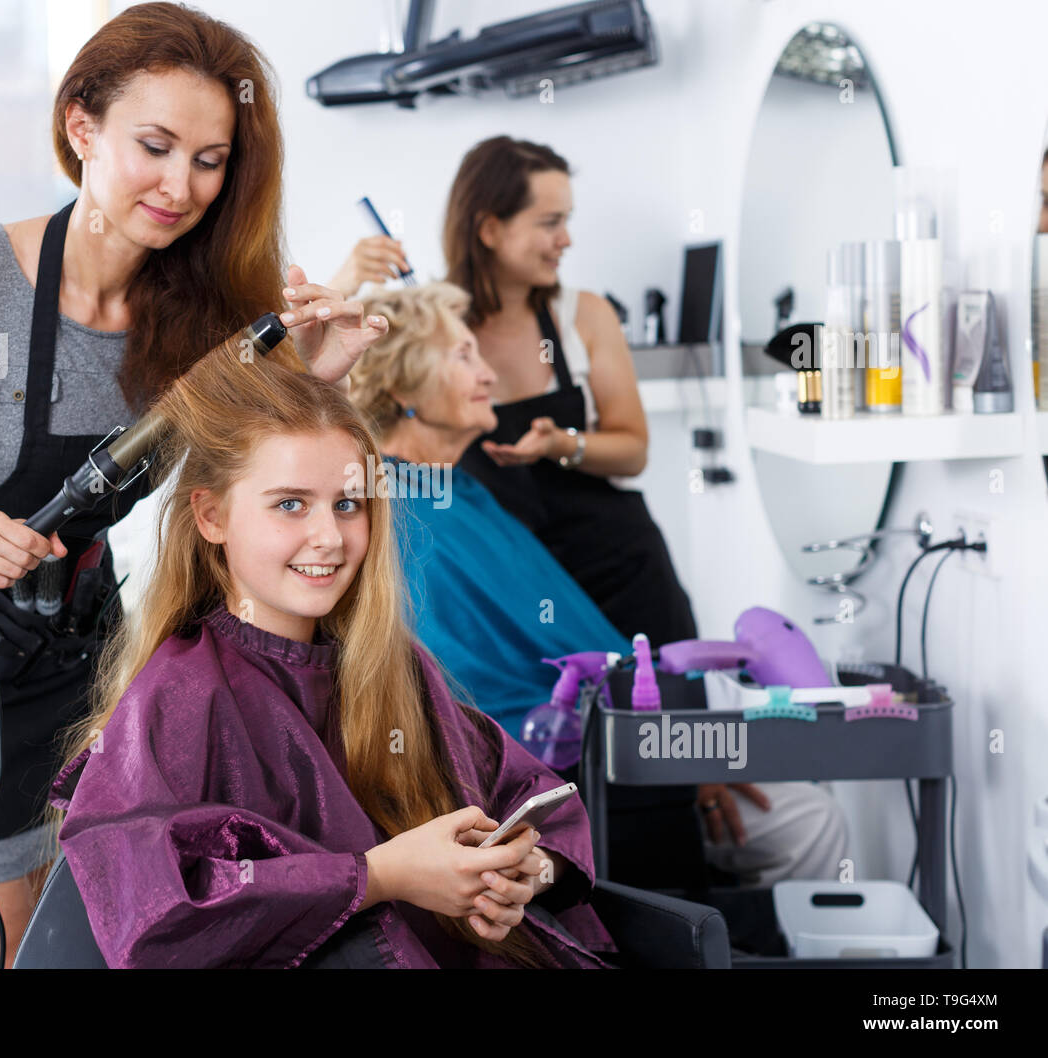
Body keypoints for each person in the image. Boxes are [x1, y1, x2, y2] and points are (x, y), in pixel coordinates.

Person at [0, 2, 386, 969]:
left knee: (99, 938)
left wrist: (319, 376)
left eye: (209, 159)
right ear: (83, 127)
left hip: (86, 652)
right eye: (154, 146)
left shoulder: (211, 308)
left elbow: (238, 484)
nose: (182, 185)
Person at [44, 340, 618, 969]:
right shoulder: (180, 698)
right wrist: (377, 877)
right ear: (210, 515)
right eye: (290, 504)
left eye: (348, 504)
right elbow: (161, 917)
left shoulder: (388, 666)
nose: (329, 537)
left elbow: (531, 793)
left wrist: (524, 871)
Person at [349, 281, 849, 892]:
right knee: (811, 821)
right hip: (556, 771)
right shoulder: (407, 509)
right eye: (462, 357)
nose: (487, 374)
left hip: (616, 742)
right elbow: (469, 687)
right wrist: (676, 754)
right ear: (403, 388)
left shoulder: (458, 492)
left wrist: (681, 747)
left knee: (797, 814)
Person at [442, 135, 696, 648]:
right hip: (510, 592)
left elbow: (633, 451)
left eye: (567, 220)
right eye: (550, 222)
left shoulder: (586, 316)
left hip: (622, 577)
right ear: (490, 229)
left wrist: (566, 445)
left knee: (656, 719)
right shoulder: (436, 328)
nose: (567, 240)